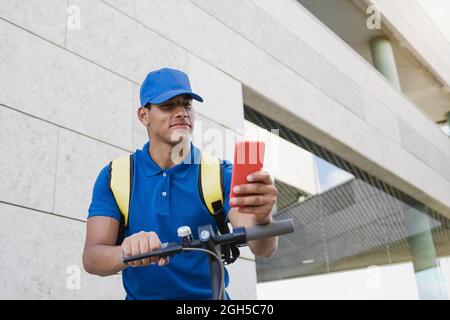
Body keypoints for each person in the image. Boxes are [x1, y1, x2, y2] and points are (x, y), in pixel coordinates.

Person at [82, 67, 278, 300]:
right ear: (144, 115)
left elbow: (262, 248)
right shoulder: (116, 176)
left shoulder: (219, 173)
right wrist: (127, 251)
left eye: (186, 104)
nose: (181, 112)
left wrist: (263, 218)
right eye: (168, 105)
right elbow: (92, 259)